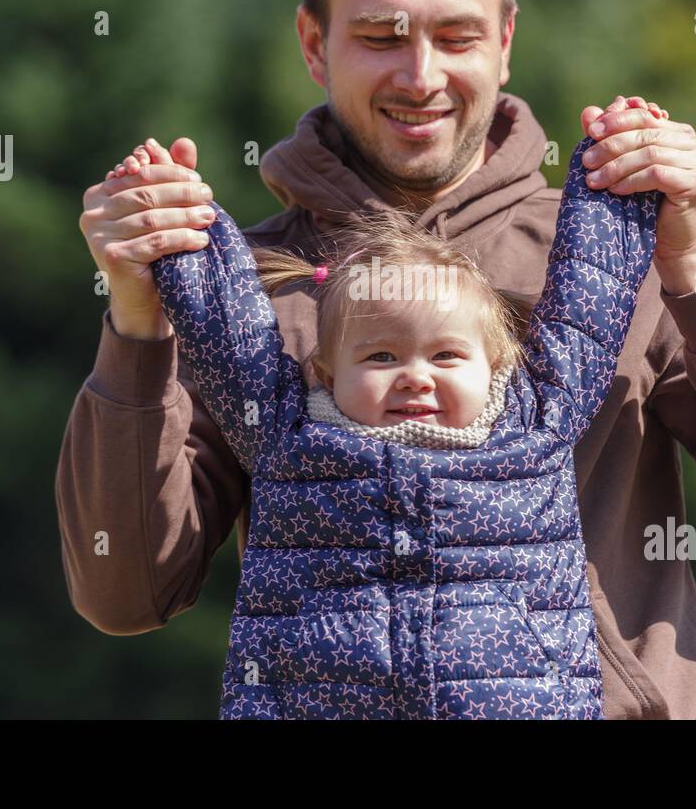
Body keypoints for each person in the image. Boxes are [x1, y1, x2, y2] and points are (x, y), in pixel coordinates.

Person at [59, 0, 696, 719]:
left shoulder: (618, 257)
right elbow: (124, 593)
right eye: (381, 35)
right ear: (313, 43)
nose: (420, 77)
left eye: (455, 37)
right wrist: (135, 323)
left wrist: (695, 263)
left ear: (506, 40)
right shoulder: (244, 292)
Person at [144, 121, 659, 718]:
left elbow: (586, 301)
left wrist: (616, 173)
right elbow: (224, 328)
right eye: (381, 356)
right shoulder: (285, 435)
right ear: (328, 374)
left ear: (496, 365)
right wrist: (176, 217)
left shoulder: (535, 425)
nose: (416, 376)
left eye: (446, 355)